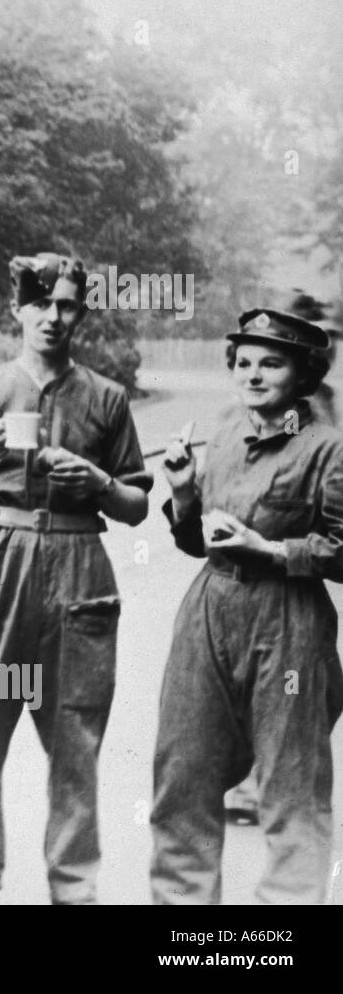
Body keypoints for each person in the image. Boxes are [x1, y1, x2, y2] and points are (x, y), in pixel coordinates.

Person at [0, 252, 151, 905]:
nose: (52, 316)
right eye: (39, 302)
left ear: (82, 312)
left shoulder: (105, 397)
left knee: (76, 744)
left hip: (78, 562)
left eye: (66, 303)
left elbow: (136, 505)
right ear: (17, 309)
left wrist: (97, 482)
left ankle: (75, 890)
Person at [152, 307, 343, 904]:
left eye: (272, 363)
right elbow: (196, 541)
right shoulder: (228, 429)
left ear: (304, 375)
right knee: (182, 780)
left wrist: (268, 547)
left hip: (288, 621)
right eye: (244, 362)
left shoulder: (328, 449)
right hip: (210, 609)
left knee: (291, 791)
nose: (253, 375)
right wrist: (183, 489)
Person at [224, 293, 341, 824]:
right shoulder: (269, 410)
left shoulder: (327, 407)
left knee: (314, 681)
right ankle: (254, 780)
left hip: (322, 542)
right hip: (289, 550)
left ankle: (286, 777)